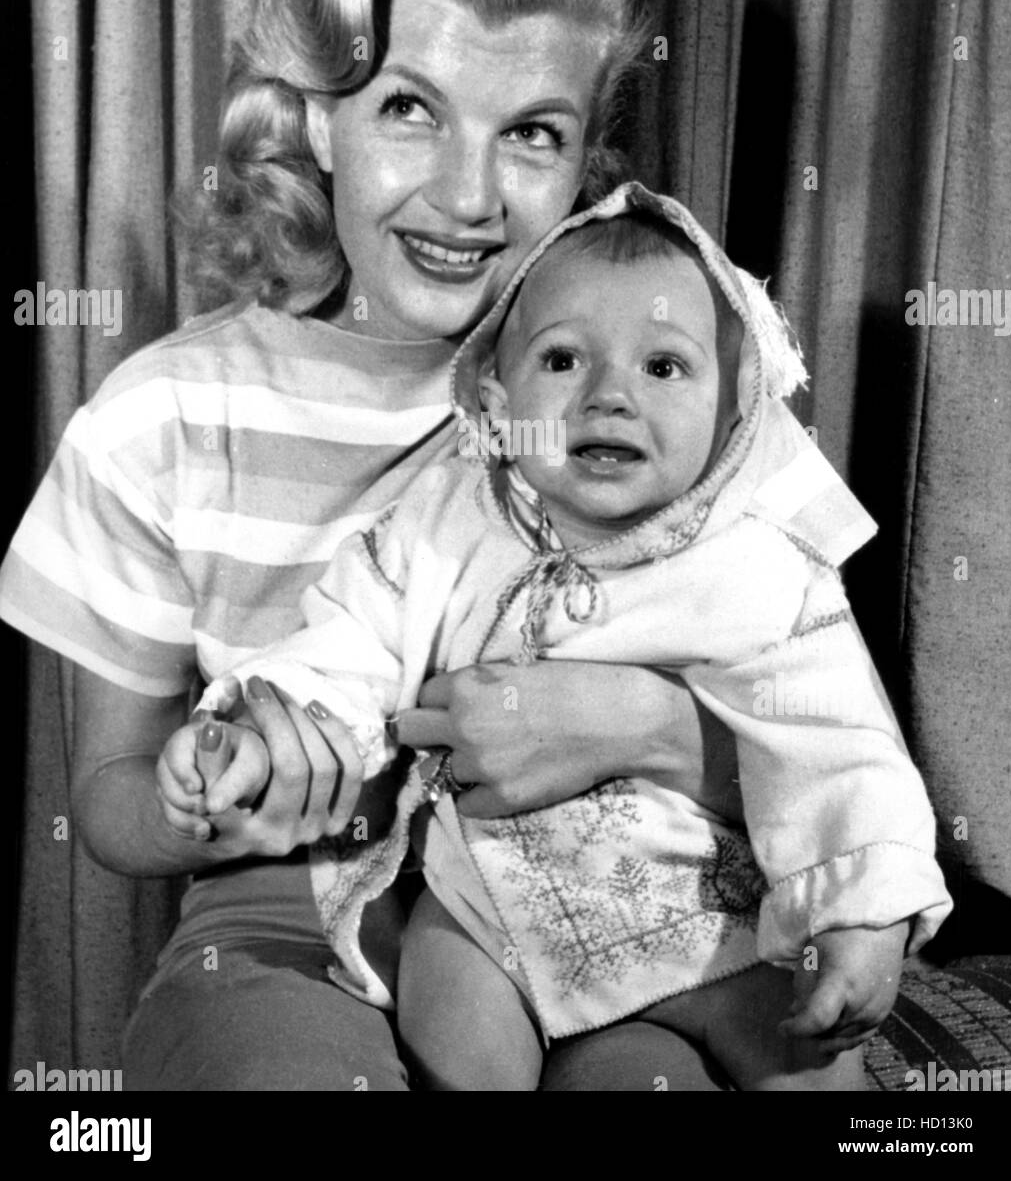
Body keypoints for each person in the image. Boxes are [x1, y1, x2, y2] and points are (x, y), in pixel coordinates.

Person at [0, 0, 731, 1091]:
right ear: (320, 121)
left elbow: (808, 706)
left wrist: (656, 730)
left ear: (587, 162)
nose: (466, 196)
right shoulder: (160, 421)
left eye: (532, 134)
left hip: (603, 905)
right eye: (409, 108)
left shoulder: (654, 392)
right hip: (285, 931)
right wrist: (209, 800)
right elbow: (108, 803)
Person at [170, 186, 952, 1091]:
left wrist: (861, 921)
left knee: (811, 1061)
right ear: (498, 401)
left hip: (710, 912)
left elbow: (839, 745)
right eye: (564, 359)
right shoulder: (448, 524)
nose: (609, 397)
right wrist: (260, 732)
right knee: (451, 1026)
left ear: (734, 407)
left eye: (664, 367)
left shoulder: (760, 566)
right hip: (493, 905)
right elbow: (347, 645)